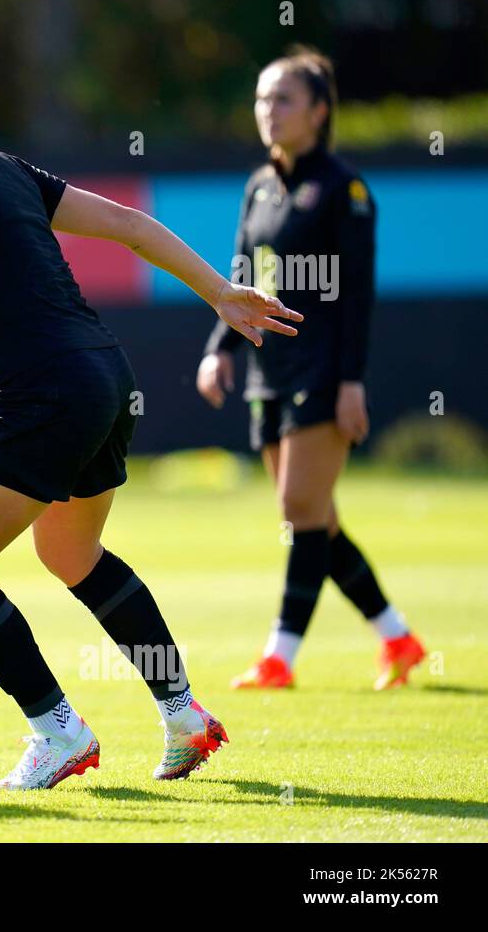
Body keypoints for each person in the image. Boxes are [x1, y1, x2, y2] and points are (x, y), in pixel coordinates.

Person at [0, 12, 302, 790]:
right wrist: (218, 292)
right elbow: (125, 222)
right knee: (69, 552)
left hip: (43, 389)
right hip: (102, 377)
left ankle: (58, 733)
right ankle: (183, 715)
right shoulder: (1, 159)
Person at [197, 48, 424, 692]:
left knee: (301, 508)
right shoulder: (258, 186)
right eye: (263, 99)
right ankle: (398, 638)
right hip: (271, 371)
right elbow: (242, 278)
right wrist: (221, 347)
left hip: (323, 371)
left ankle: (280, 657)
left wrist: (353, 381)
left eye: (284, 100)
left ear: (319, 112)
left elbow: (357, 295)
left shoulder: (345, 190)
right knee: (313, 519)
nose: (269, 112)